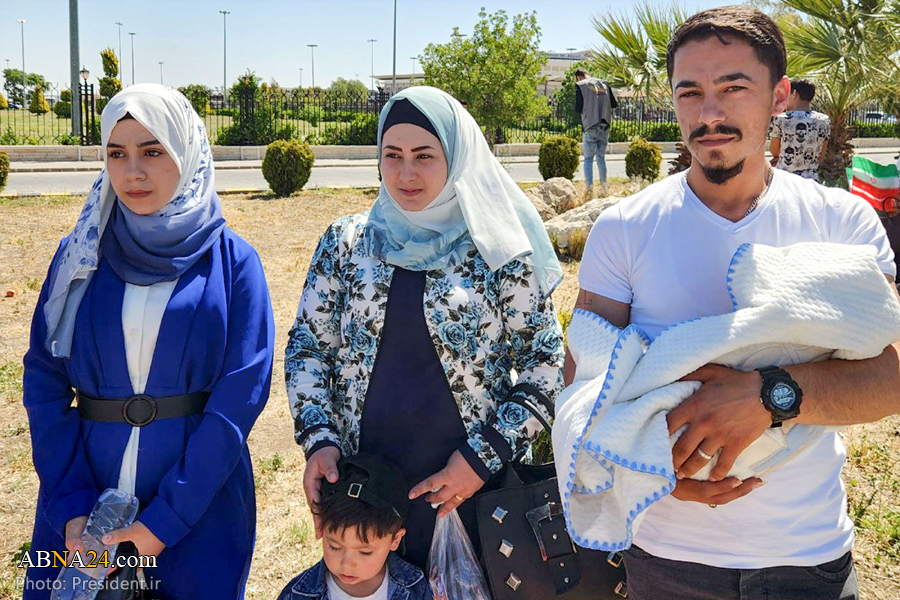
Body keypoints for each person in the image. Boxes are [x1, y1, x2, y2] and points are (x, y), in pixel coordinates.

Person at [566, 6, 899, 599]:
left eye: (733, 88)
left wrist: (770, 397)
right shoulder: (624, 229)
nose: (709, 113)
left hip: (809, 556)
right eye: (689, 92)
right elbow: (584, 385)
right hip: (666, 557)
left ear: (778, 96)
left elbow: (894, 375)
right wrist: (653, 476)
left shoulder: (840, 220)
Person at [286, 85, 564, 570]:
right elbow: (308, 349)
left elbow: (547, 365)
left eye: (424, 155)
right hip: (364, 495)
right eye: (391, 155)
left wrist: (480, 461)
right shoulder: (347, 243)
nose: (406, 173)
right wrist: (320, 441)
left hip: (473, 495)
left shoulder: (497, 252)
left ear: (456, 158)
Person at [22, 84, 275, 599]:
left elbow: (239, 399)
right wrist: (71, 507)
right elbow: (44, 379)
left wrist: (162, 524)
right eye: (117, 153)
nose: (132, 172)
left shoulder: (233, 262)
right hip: (85, 502)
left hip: (198, 503)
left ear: (186, 152)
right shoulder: (81, 255)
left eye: (152, 151)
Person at [277, 454, 430, 600]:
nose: (347, 564)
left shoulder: (415, 588)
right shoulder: (298, 594)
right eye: (335, 547)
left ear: (395, 540)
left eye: (365, 552)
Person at [769, 79, 831, 180]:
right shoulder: (824, 120)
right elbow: (821, 156)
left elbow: (774, 150)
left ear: (794, 93)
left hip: (785, 179)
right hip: (811, 181)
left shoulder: (781, 119)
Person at [575, 67, 618, 197]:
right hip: (604, 125)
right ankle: (604, 189)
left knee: (588, 159)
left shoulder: (580, 85)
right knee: (601, 158)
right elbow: (614, 104)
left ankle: (589, 190)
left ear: (578, 77)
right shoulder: (604, 83)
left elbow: (578, 108)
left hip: (590, 126)